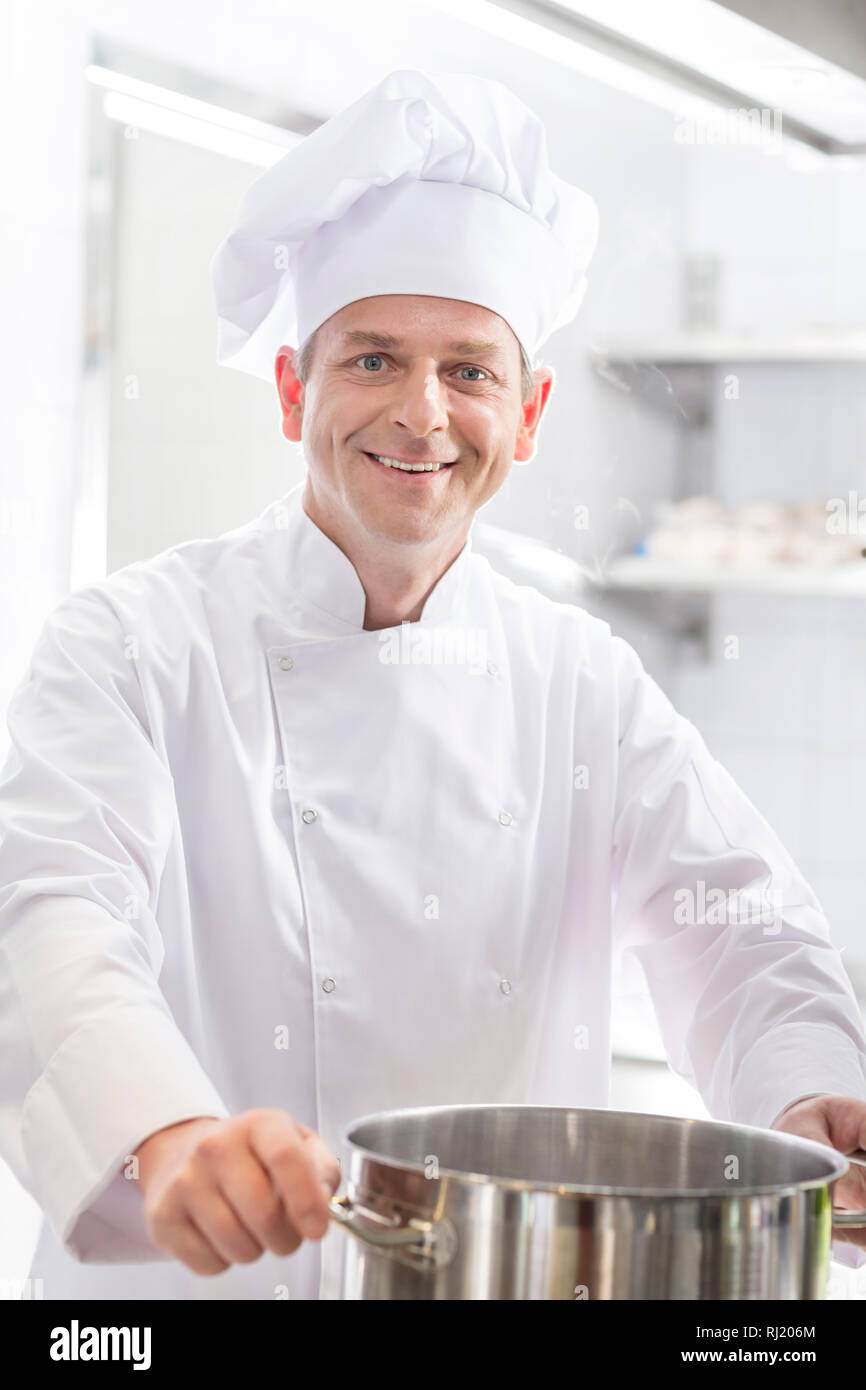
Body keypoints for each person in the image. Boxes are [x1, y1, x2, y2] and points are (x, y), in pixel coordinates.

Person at [1, 67, 865, 1303]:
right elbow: (52, 916)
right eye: (371, 359)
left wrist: (800, 1093)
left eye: (469, 371)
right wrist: (164, 1129)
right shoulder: (132, 649)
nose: (422, 413)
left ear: (528, 413)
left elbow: (733, 923)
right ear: (294, 388)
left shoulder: (580, 684)